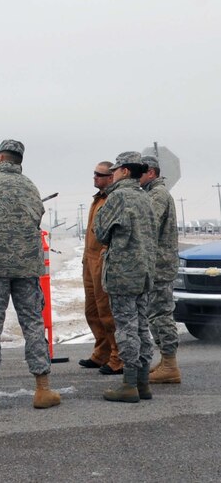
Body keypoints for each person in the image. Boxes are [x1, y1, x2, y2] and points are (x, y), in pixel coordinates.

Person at [0, 139, 61, 410]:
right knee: (33, 325)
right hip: (27, 269)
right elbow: (36, 218)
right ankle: (43, 389)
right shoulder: (31, 187)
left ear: (0, 158)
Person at [93, 151, 157, 403]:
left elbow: (101, 232)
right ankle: (142, 383)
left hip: (123, 273)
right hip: (144, 271)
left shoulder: (118, 197)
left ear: (125, 171)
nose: (113, 173)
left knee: (127, 327)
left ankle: (129, 384)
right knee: (142, 326)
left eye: (116, 169)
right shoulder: (145, 196)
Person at [79, 161, 124, 375]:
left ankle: (118, 357)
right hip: (89, 261)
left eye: (100, 174)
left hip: (103, 261)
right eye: (94, 173)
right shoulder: (97, 199)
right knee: (92, 311)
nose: (95, 177)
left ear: (111, 177)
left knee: (106, 311)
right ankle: (102, 352)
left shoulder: (112, 200)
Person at [140, 154, 181, 384]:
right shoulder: (154, 193)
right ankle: (166, 361)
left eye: (141, 173)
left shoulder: (157, 195)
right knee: (156, 314)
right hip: (158, 264)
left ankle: (170, 364)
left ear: (152, 173)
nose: (138, 178)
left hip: (159, 266)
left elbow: (148, 225)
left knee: (161, 314)